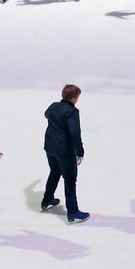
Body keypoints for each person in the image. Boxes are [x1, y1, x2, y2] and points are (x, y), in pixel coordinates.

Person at [42, 84, 89, 223]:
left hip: (50, 147)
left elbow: (46, 114)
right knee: (70, 180)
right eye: (77, 97)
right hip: (65, 151)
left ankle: (47, 200)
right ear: (73, 98)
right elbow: (75, 132)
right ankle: (73, 211)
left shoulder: (53, 106)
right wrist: (80, 151)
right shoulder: (72, 112)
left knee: (54, 172)